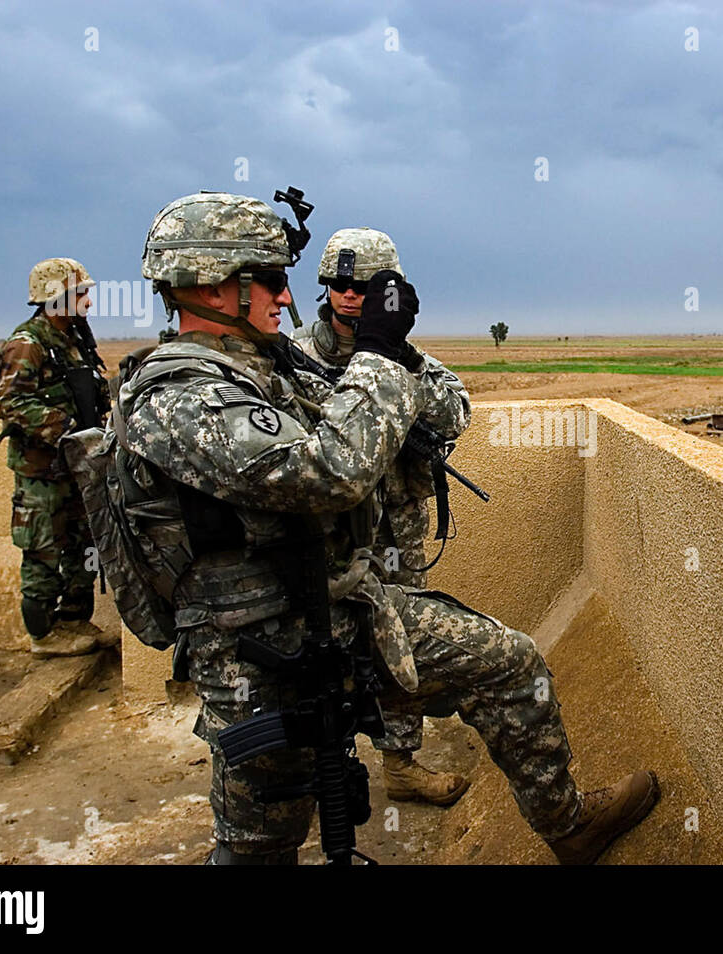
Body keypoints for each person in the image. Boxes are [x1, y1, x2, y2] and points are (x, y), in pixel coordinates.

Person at [124, 191, 658, 864]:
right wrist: (378, 351)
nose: (288, 301)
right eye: (271, 282)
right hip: (252, 654)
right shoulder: (178, 396)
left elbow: (420, 409)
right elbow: (330, 469)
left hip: (333, 613)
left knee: (509, 661)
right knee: (262, 843)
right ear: (216, 286)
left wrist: (386, 351)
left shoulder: (262, 369)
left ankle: (569, 825)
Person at [296, 226, 471, 808]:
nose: (349, 296)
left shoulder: (408, 360)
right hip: (324, 540)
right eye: (338, 285)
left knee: (398, 651)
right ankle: (311, 770)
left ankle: (399, 763)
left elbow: (455, 412)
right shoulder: (293, 357)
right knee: (312, 651)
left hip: (395, 535)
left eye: (365, 287)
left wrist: (393, 359)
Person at [0, 258, 110, 657]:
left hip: (77, 468)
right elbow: (12, 403)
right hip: (42, 470)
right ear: (56, 298)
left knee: (84, 545)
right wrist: (65, 429)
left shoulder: (75, 340)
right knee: (43, 547)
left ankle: (75, 620)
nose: (88, 302)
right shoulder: (28, 343)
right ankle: (43, 634)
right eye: (81, 294)